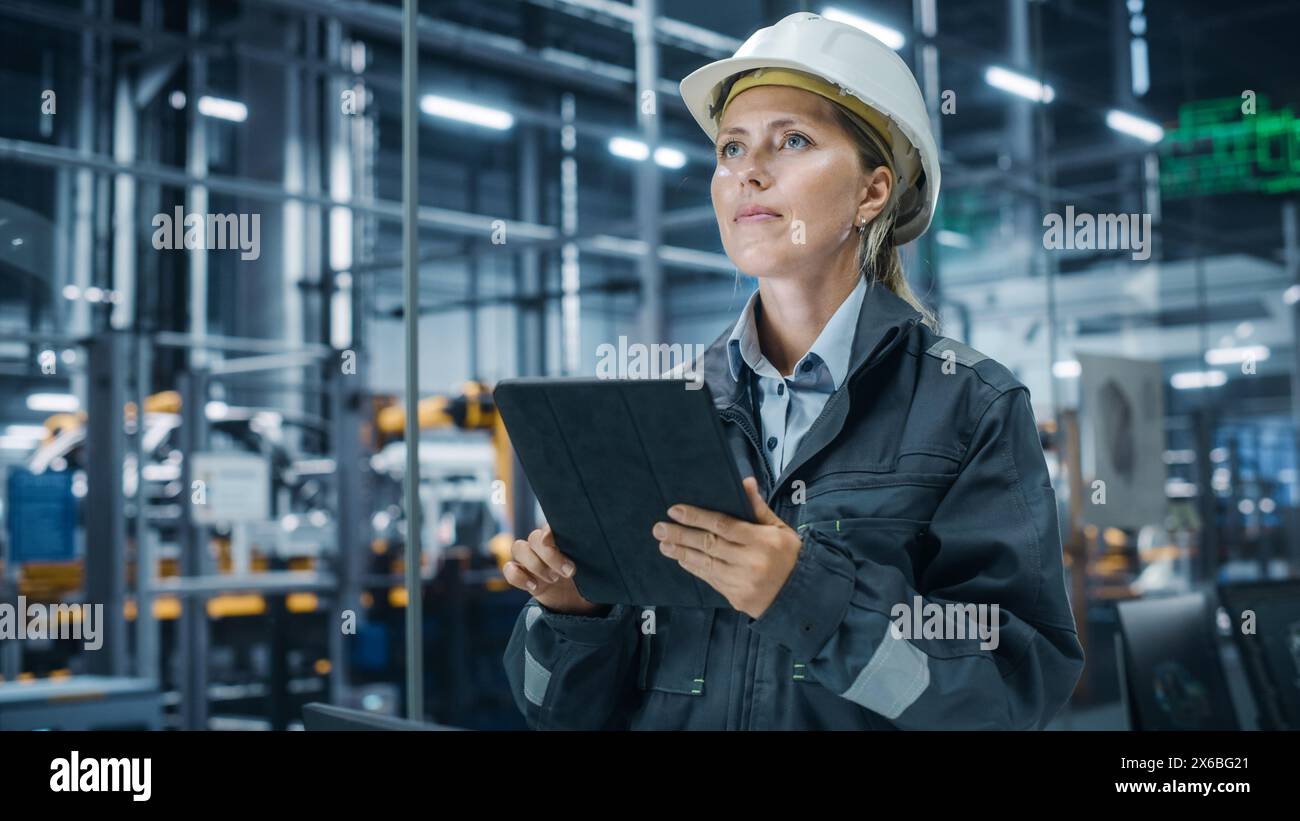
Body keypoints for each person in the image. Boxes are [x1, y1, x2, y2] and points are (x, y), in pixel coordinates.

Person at [502, 11, 1084, 730]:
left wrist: (804, 594)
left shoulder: (970, 407)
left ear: (872, 193)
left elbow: (1012, 693)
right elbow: (554, 715)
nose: (747, 170)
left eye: (794, 141)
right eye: (731, 148)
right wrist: (573, 614)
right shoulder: (658, 412)